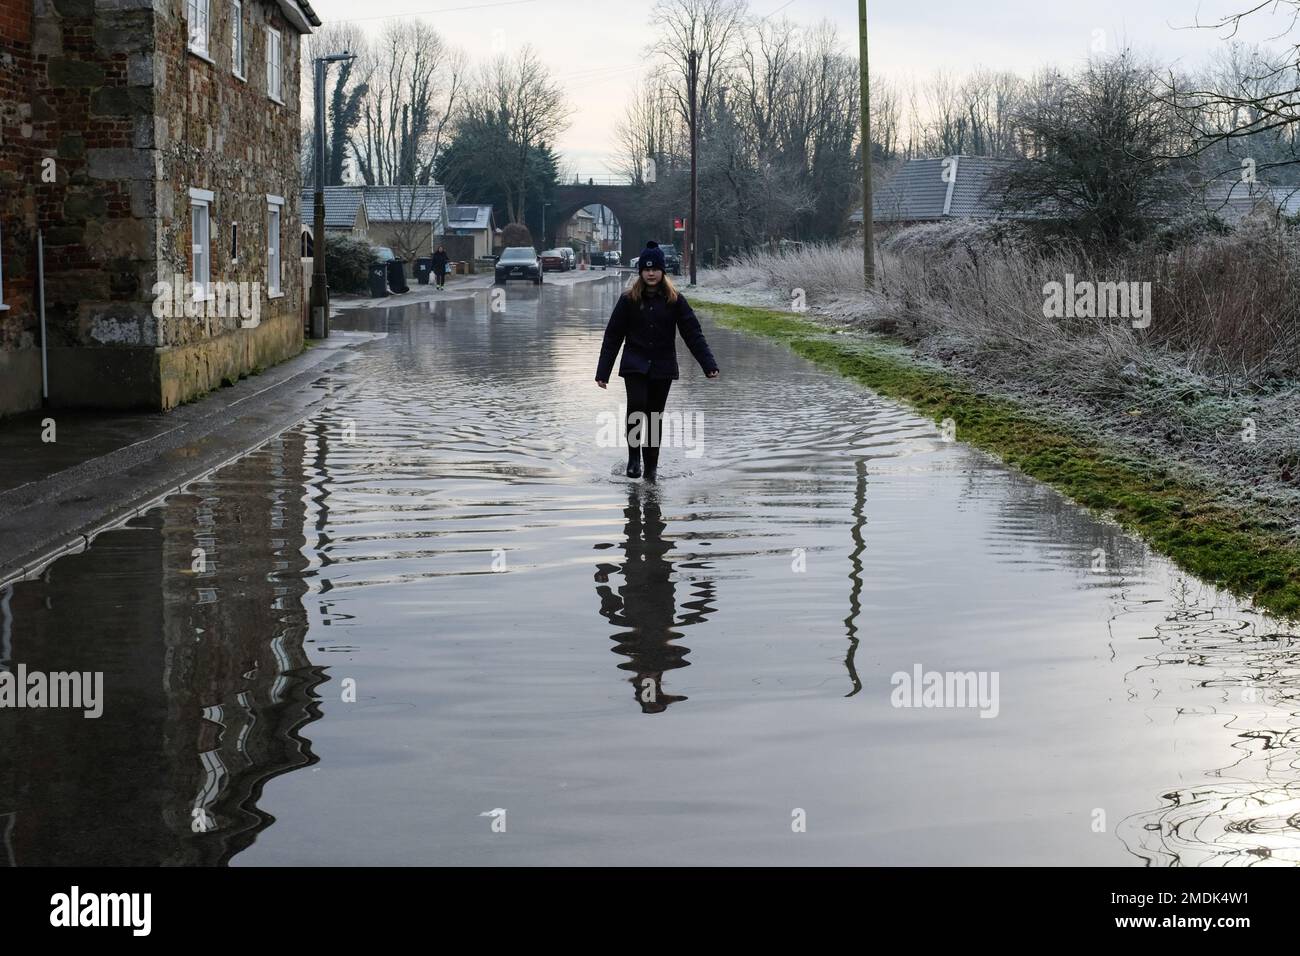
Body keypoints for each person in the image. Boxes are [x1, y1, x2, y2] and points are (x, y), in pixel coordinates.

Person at [595, 240, 720, 482]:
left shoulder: (675, 301)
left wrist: (709, 364)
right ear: (640, 272)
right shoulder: (628, 300)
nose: (651, 273)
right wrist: (603, 372)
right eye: (646, 269)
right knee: (637, 406)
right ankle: (634, 458)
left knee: (654, 416)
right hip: (634, 363)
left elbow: (693, 334)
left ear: (662, 271)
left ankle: (651, 468)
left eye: (655, 269)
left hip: (662, 366)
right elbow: (612, 337)